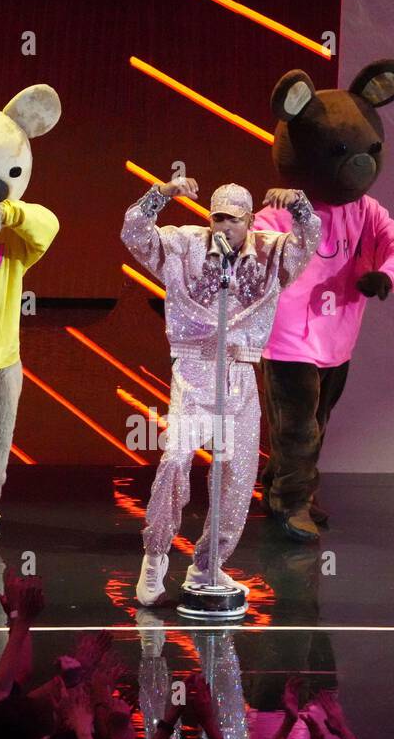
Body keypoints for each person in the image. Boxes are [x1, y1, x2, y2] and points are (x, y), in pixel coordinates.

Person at [121, 177, 320, 606]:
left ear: (249, 220)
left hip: (241, 373)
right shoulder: (184, 245)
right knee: (174, 458)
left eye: (232, 219)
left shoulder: (272, 250)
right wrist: (161, 195)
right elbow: (135, 232)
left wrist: (300, 206)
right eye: (217, 217)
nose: (222, 226)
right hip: (193, 369)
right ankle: (154, 555)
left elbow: (310, 242)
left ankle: (209, 565)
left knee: (237, 474)